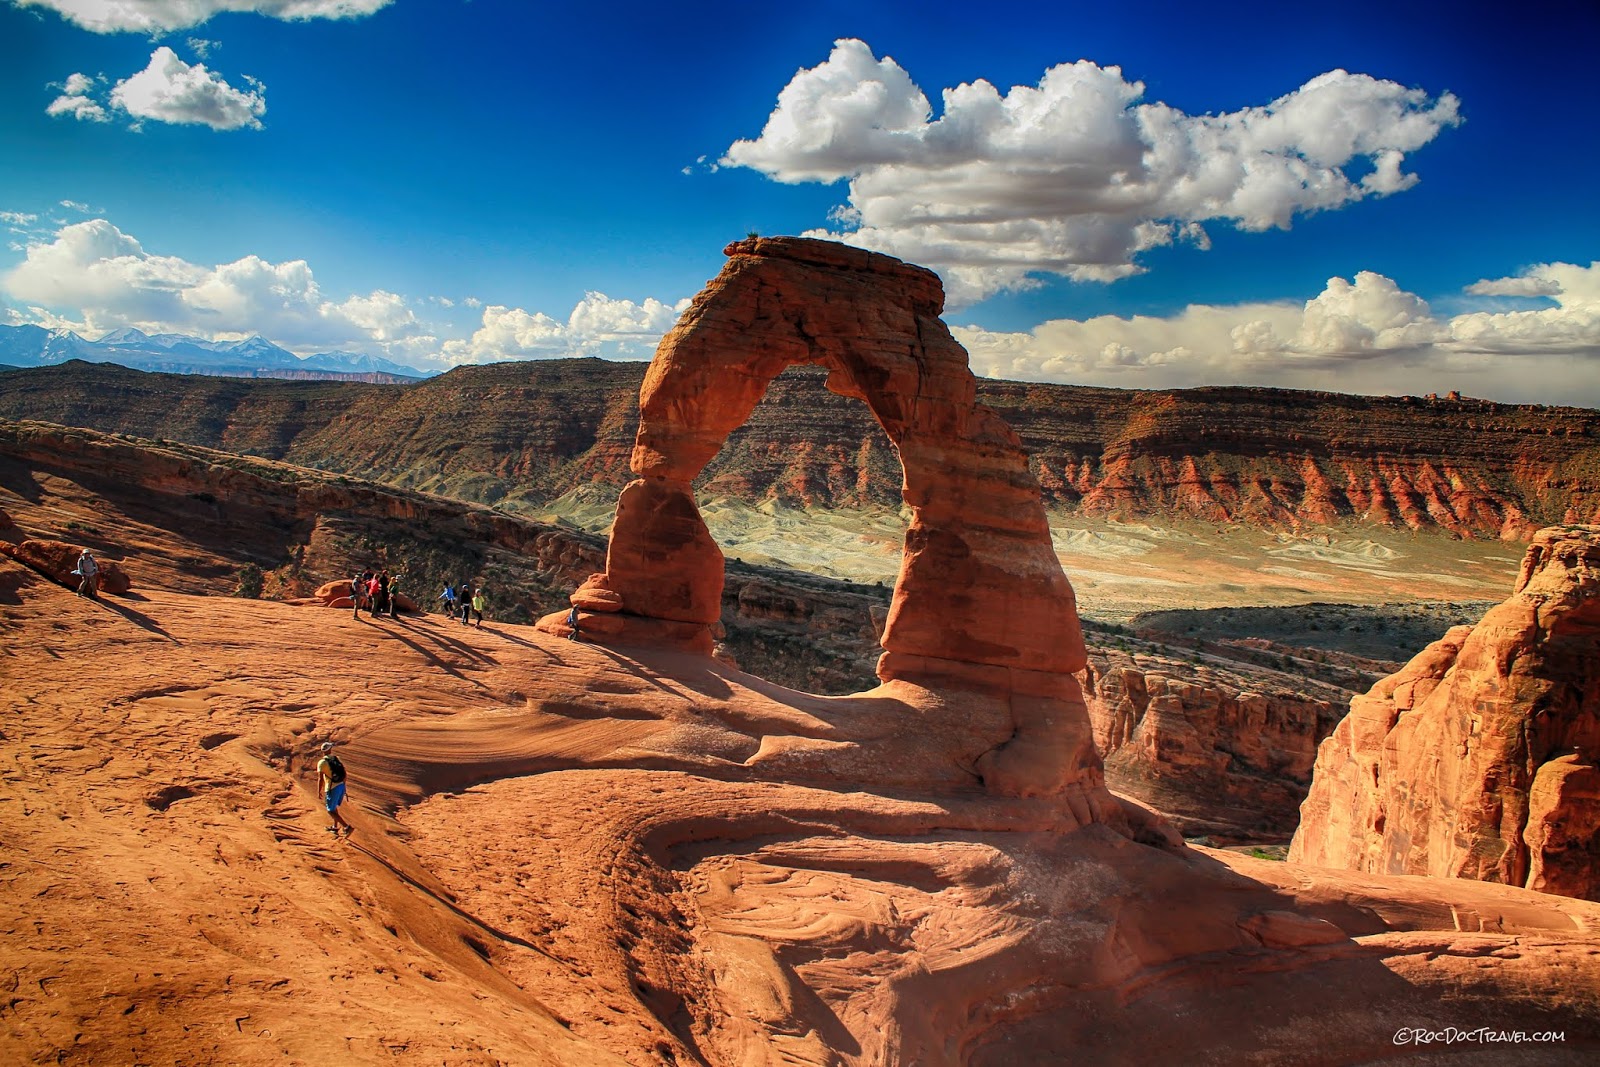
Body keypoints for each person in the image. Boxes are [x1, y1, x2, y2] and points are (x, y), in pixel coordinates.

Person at [316, 741, 353, 837]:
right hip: (340, 785)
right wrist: (344, 787)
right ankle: (335, 826)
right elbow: (345, 773)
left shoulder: (322, 763)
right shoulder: (336, 759)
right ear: (330, 749)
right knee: (334, 808)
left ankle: (346, 827)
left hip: (332, 788)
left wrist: (319, 790)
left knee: (330, 810)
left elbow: (320, 778)